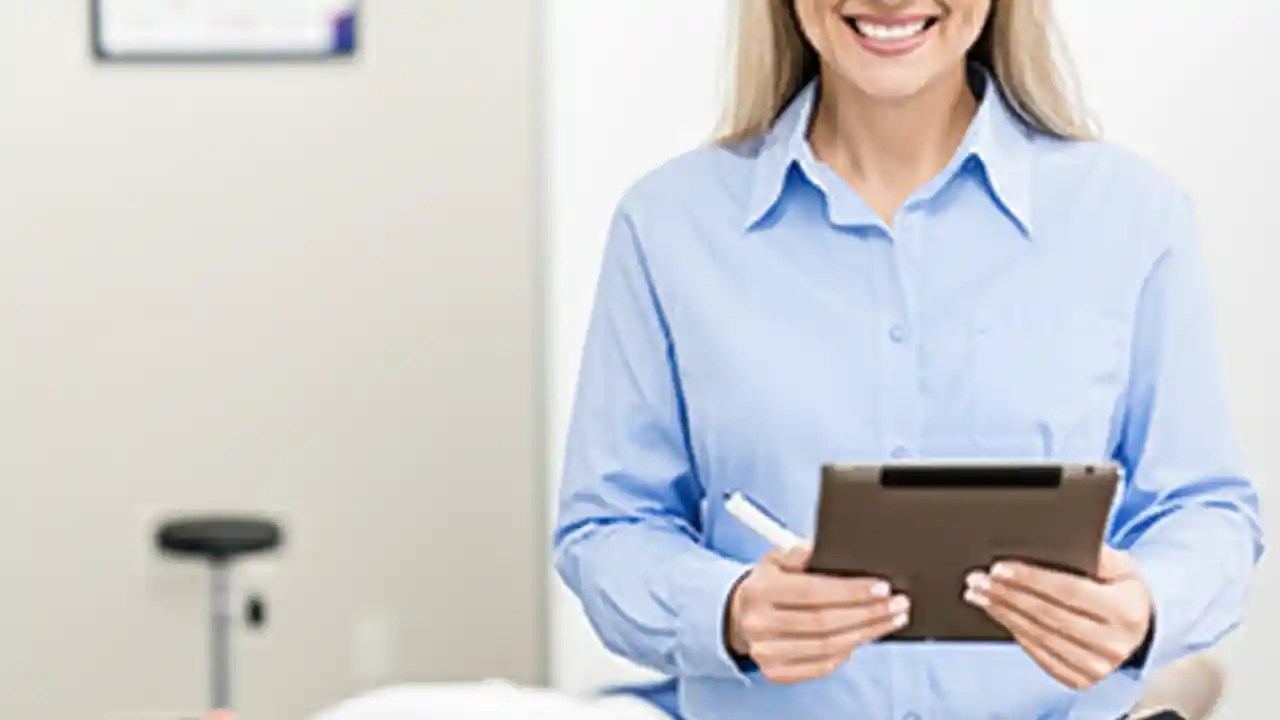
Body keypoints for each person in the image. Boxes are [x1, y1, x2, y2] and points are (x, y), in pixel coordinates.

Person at [554, 0, 1263, 718]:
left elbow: (1207, 510)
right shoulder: (668, 226)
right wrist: (727, 610)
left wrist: (1145, 606)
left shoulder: (1132, 218)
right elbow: (607, 527)